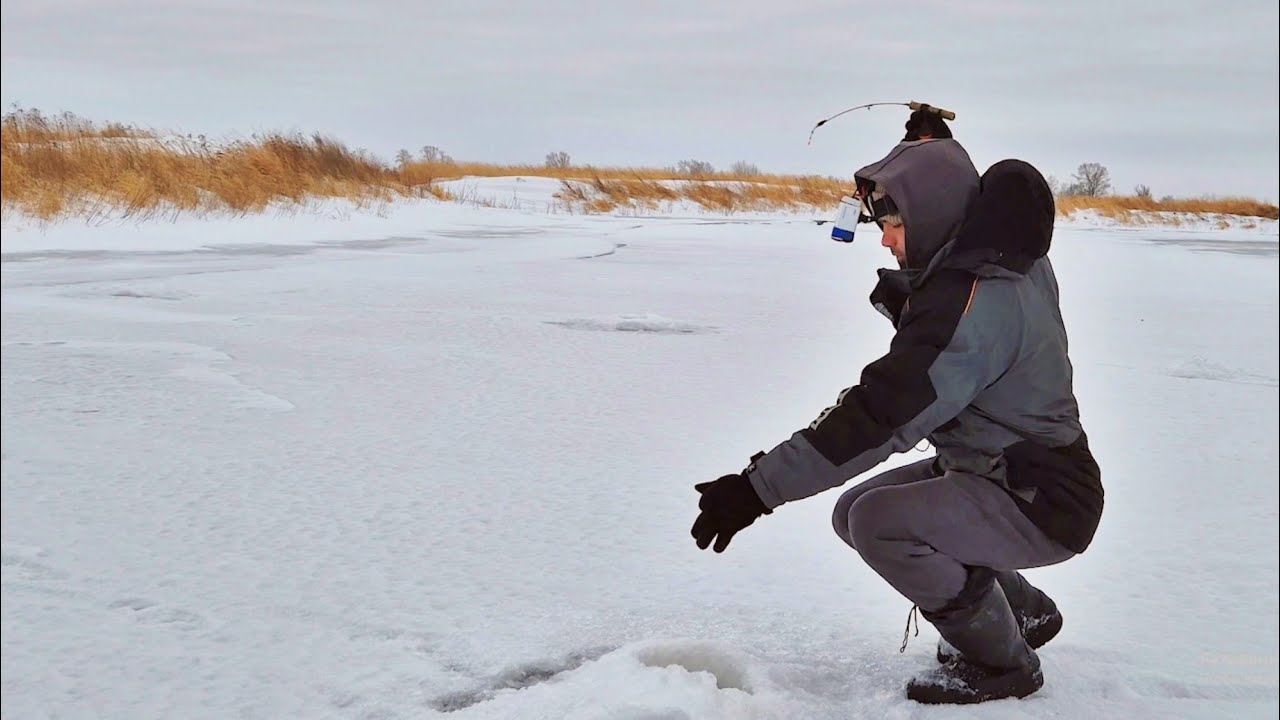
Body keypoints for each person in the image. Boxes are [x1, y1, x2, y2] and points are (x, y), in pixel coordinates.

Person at [689, 133, 1104, 705]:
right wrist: (929, 146)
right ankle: (1023, 613)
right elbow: (949, 186)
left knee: (881, 524)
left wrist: (756, 489)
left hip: (1040, 496)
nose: (883, 238)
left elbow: (878, 416)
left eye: (895, 223)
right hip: (1002, 467)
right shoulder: (1008, 254)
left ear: (934, 215)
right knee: (850, 513)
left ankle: (1003, 662)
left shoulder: (972, 306)